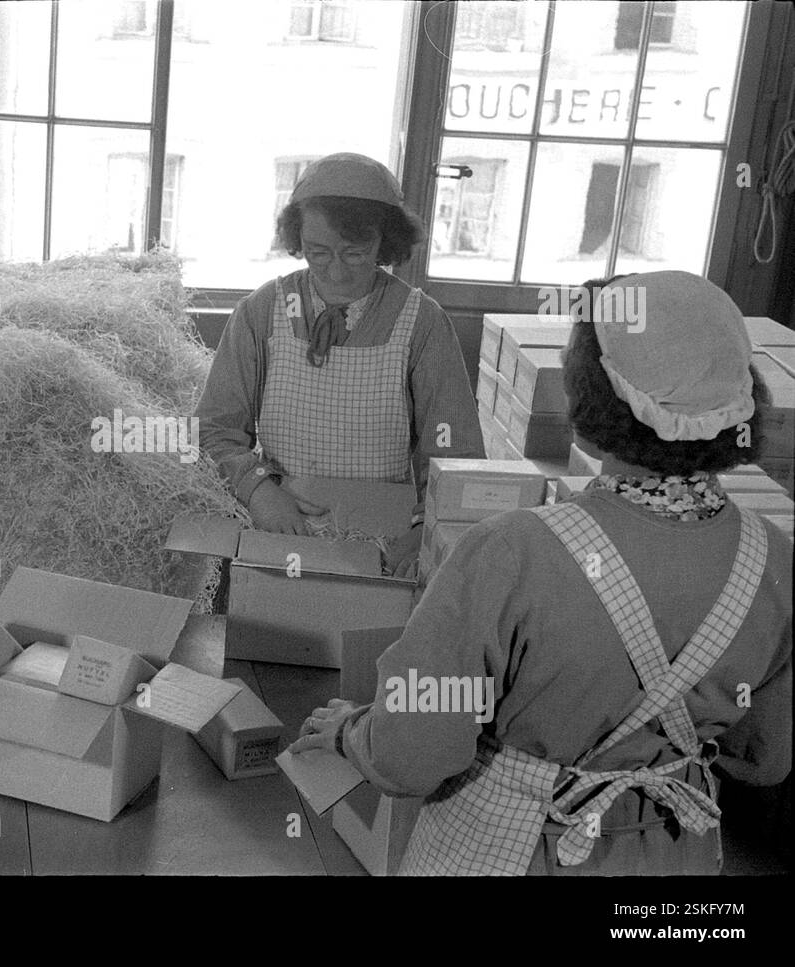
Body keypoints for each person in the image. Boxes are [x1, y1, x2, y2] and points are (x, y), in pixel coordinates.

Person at [289, 270, 792, 875]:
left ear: (587, 402)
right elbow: (765, 756)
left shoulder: (513, 553)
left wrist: (352, 732)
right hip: (670, 860)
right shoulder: (774, 560)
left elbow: (415, 751)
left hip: (518, 850)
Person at [196, 153, 484, 575]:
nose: (335, 272)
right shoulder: (263, 312)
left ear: (385, 242)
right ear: (298, 241)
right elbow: (214, 429)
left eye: (354, 254)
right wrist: (258, 490)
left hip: (383, 536)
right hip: (281, 526)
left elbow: (452, 450)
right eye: (318, 253)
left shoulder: (420, 321)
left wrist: (426, 528)